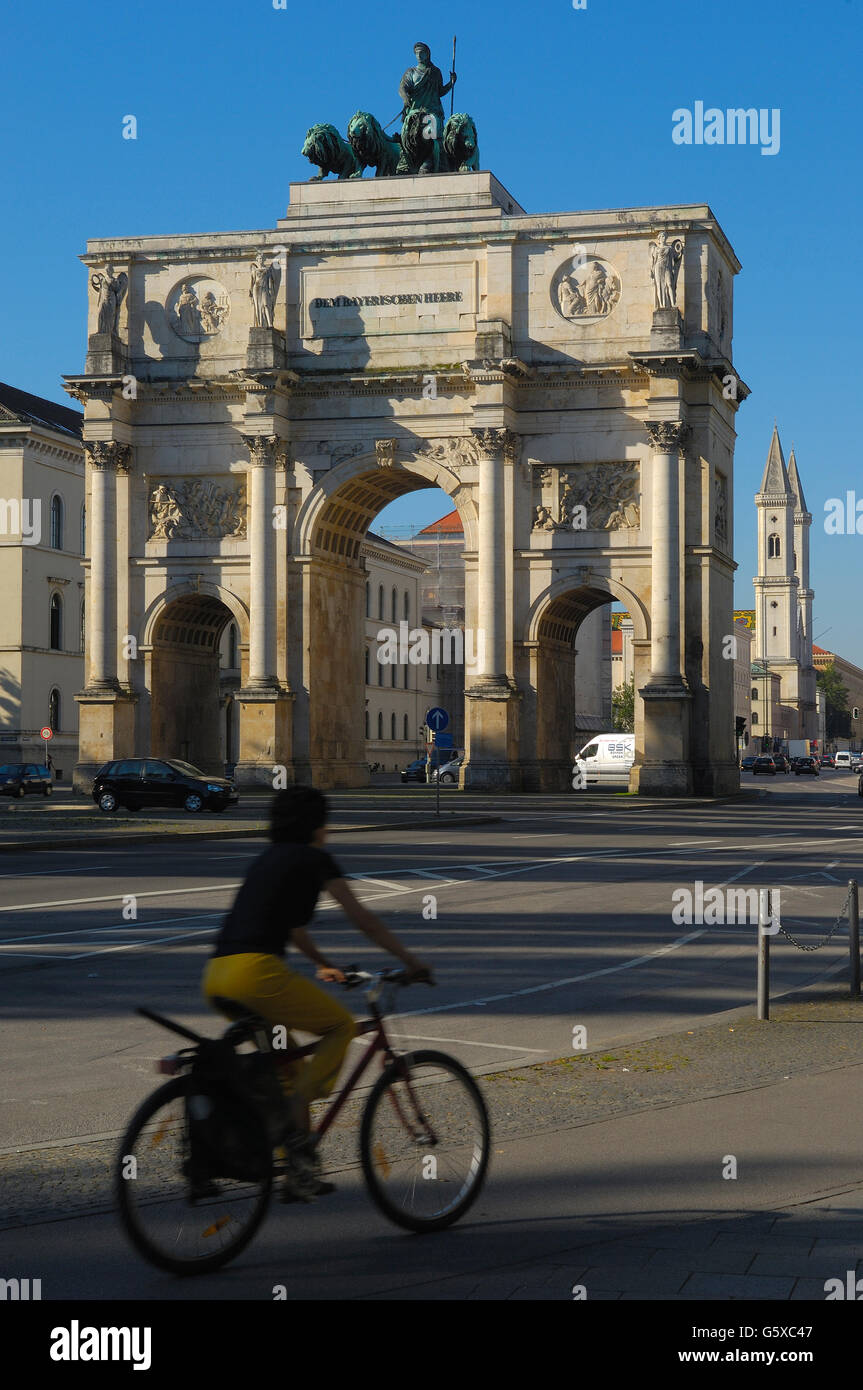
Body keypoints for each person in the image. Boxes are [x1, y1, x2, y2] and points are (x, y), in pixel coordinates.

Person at [202, 785, 431, 1201]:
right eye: (326, 821)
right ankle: (298, 1141)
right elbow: (364, 921)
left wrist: (322, 963)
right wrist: (410, 960)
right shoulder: (315, 858)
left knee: (287, 1068)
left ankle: (297, 1172)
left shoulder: (268, 860)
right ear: (316, 825)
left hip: (218, 976)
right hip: (256, 975)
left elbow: (290, 926)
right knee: (340, 1027)